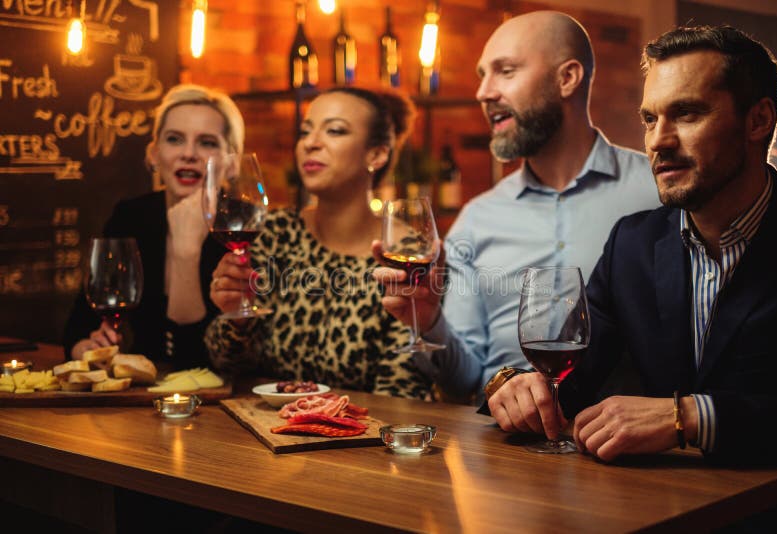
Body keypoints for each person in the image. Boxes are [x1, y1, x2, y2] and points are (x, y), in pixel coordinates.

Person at [489, 24, 777, 464]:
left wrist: (688, 417)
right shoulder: (632, 243)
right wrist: (515, 388)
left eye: (688, 114)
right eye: (650, 119)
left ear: (758, 120)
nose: (658, 141)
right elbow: (570, 378)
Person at [373, 11, 660, 402]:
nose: (483, 93)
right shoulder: (477, 218)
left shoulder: (659, 191)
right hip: (504, 450)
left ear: (567, 78)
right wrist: (428, 321)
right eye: (482, 75)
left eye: (505, 71)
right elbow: (465, 384)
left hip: (627, 451)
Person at [204, 87, 432, 400]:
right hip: (264, 433)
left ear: (377, 154)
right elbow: (227, 367)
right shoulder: (275, 233)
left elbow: (403, 392)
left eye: (335, 130)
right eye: (305, 132)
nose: (311, 143)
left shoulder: (404, 253)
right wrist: (236, 319)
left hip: (359, 438)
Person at [63, 84, 241, 368]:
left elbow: (209, 362)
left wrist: (186, 253)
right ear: (154, 155)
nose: (189, 153)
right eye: (175, 139)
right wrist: (89, 347)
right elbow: (78, 328)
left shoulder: (244, 230)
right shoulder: (130, 217)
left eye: (207, 142)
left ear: (232, 163)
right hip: (139, 402)